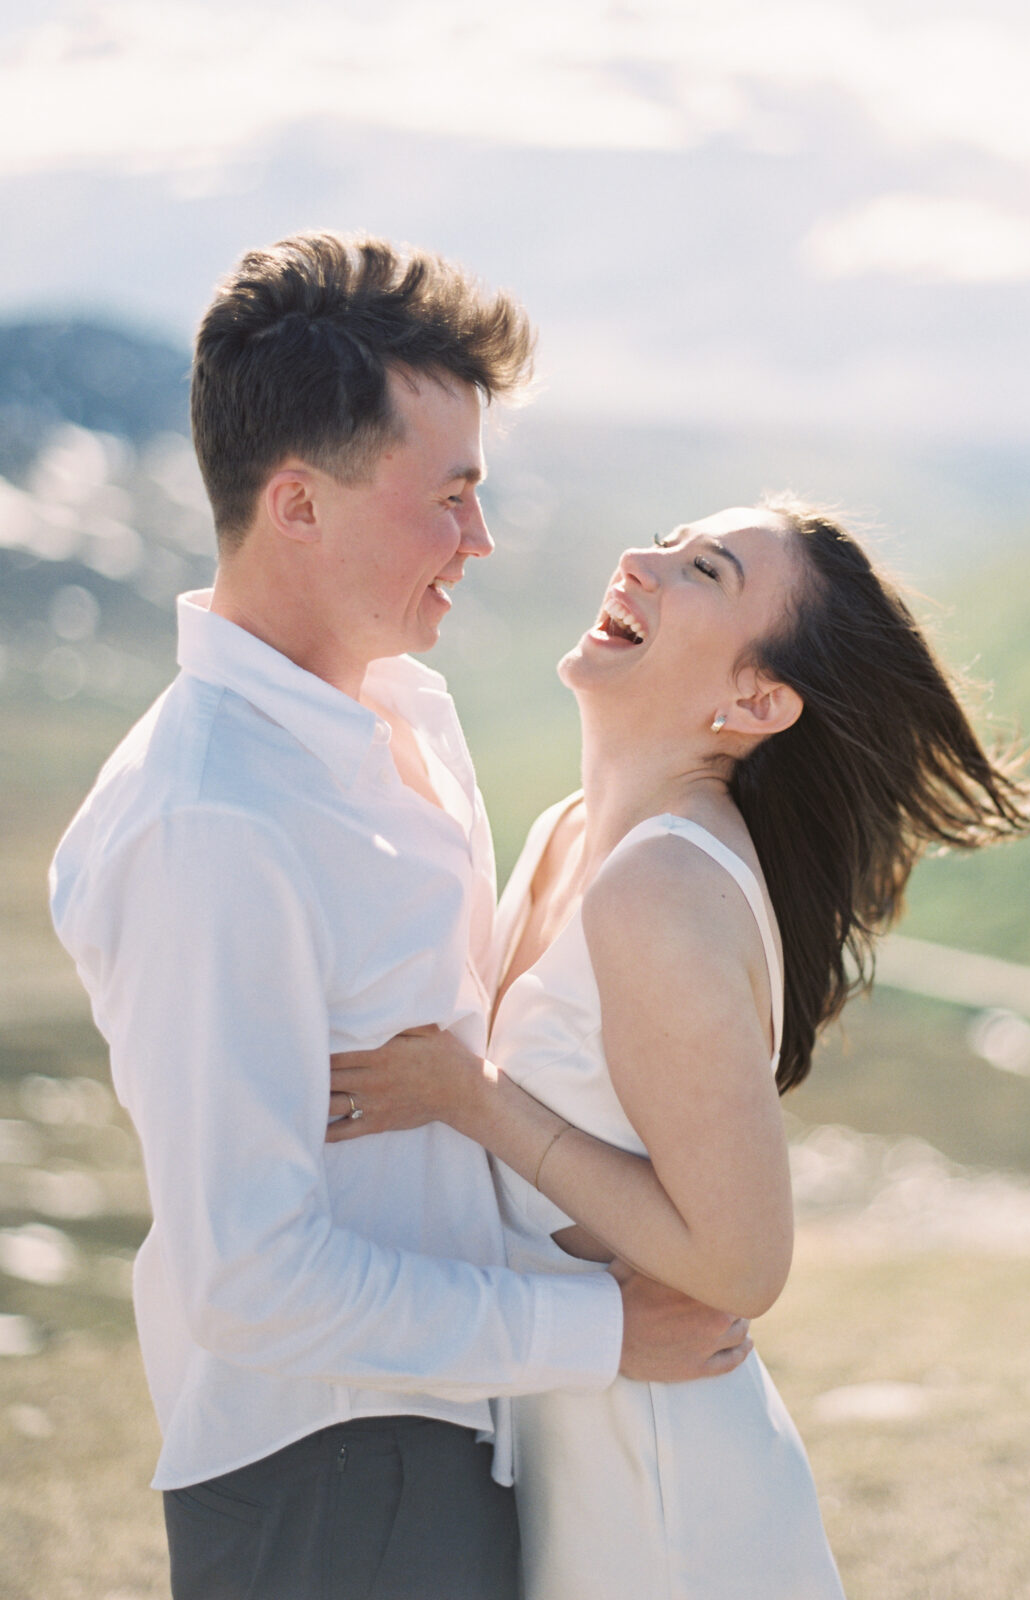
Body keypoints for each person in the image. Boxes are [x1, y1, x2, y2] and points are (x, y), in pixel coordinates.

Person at [48, 232, 753, 1600]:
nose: (478, 539)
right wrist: (600, 1328)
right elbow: (249, 1283)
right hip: (321, 1477)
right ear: (299, 507)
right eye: (447, 496)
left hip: (441, 1433)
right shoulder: (211, 820)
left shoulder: (401, 714)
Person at [328, 498, 1030, 1599]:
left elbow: (742, 1263)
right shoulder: (572, 830)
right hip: (573, 1445)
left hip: (661, 1497)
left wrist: (472, 1099)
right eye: (667, 539)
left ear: (754, 700)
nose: (639, 561)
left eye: (704, 571)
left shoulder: (661, 888)